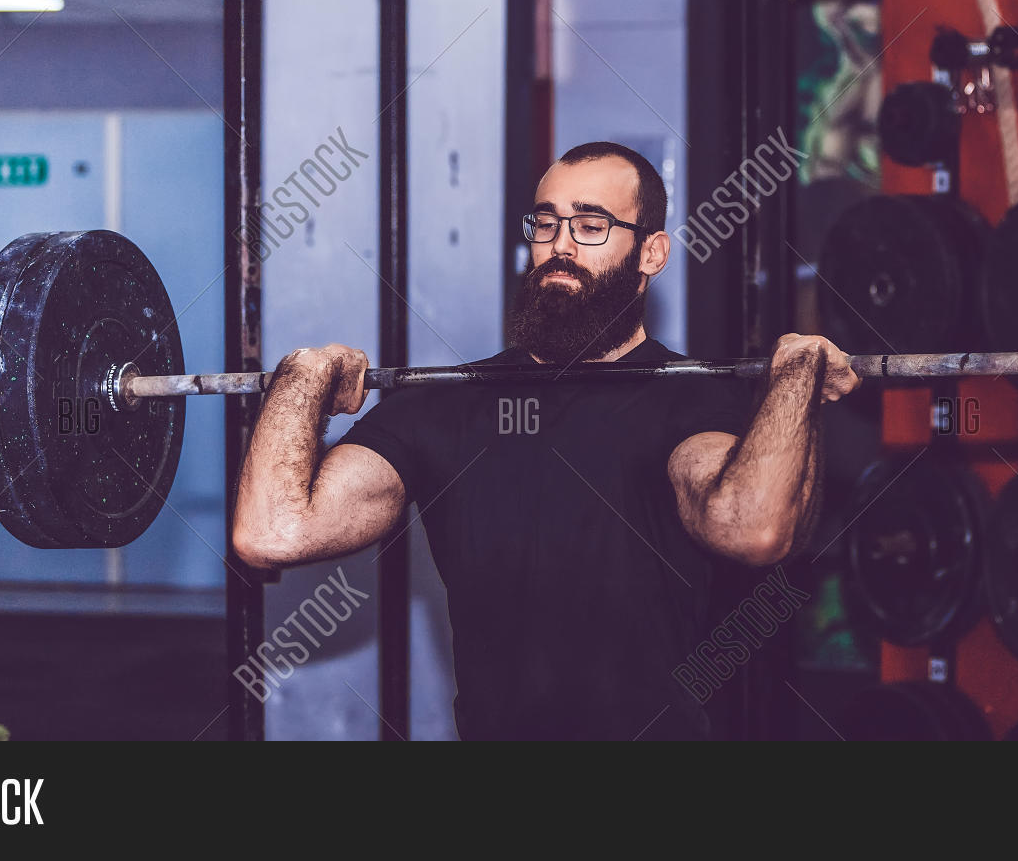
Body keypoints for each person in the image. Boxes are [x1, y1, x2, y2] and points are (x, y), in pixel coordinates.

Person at [232, 141, 858, 739]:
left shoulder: (688, 401)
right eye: (545, 224)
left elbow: (753, 529)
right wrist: (301, 380)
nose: (560, 247)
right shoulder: (443, 405)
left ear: (652, 253)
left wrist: (795, 379)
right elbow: (272, 532)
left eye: (591, 226)